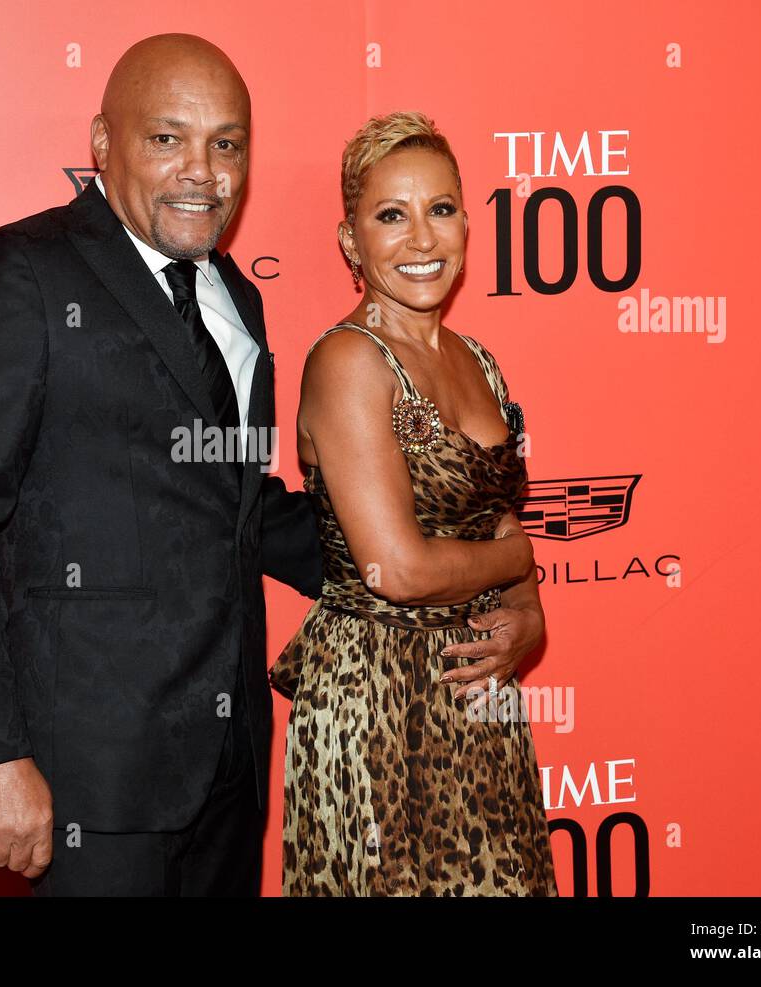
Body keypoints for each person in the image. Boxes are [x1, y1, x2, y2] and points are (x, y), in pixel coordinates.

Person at [0, 33, 321, 896]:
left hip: (229, 764)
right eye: (168, 139)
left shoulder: (237, 297)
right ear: (101, 144)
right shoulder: (19, 272)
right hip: (86, 778)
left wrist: (429, 565)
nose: (202, 170)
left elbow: (236, 504)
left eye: (226, 143)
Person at [270, 111, 558, 896]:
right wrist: (521, 560)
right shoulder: (346, 361)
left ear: (468, 222)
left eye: (439, 210)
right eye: (391, 216)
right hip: (374, 708)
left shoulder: (479, 363)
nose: (421, 240)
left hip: (478, 698)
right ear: (350, 241)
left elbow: (496, 512)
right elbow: (394, 566)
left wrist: (528, 615)